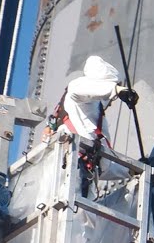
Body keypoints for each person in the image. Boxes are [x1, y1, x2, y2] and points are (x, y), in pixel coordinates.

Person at [47, 55, 140, 188]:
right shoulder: (77, 89)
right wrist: (117, 90)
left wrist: (130, 170)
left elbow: (104, 167)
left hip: (83, 175)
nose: (112, 101)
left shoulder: (94, 118)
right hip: (65, 169)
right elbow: (86, 88)